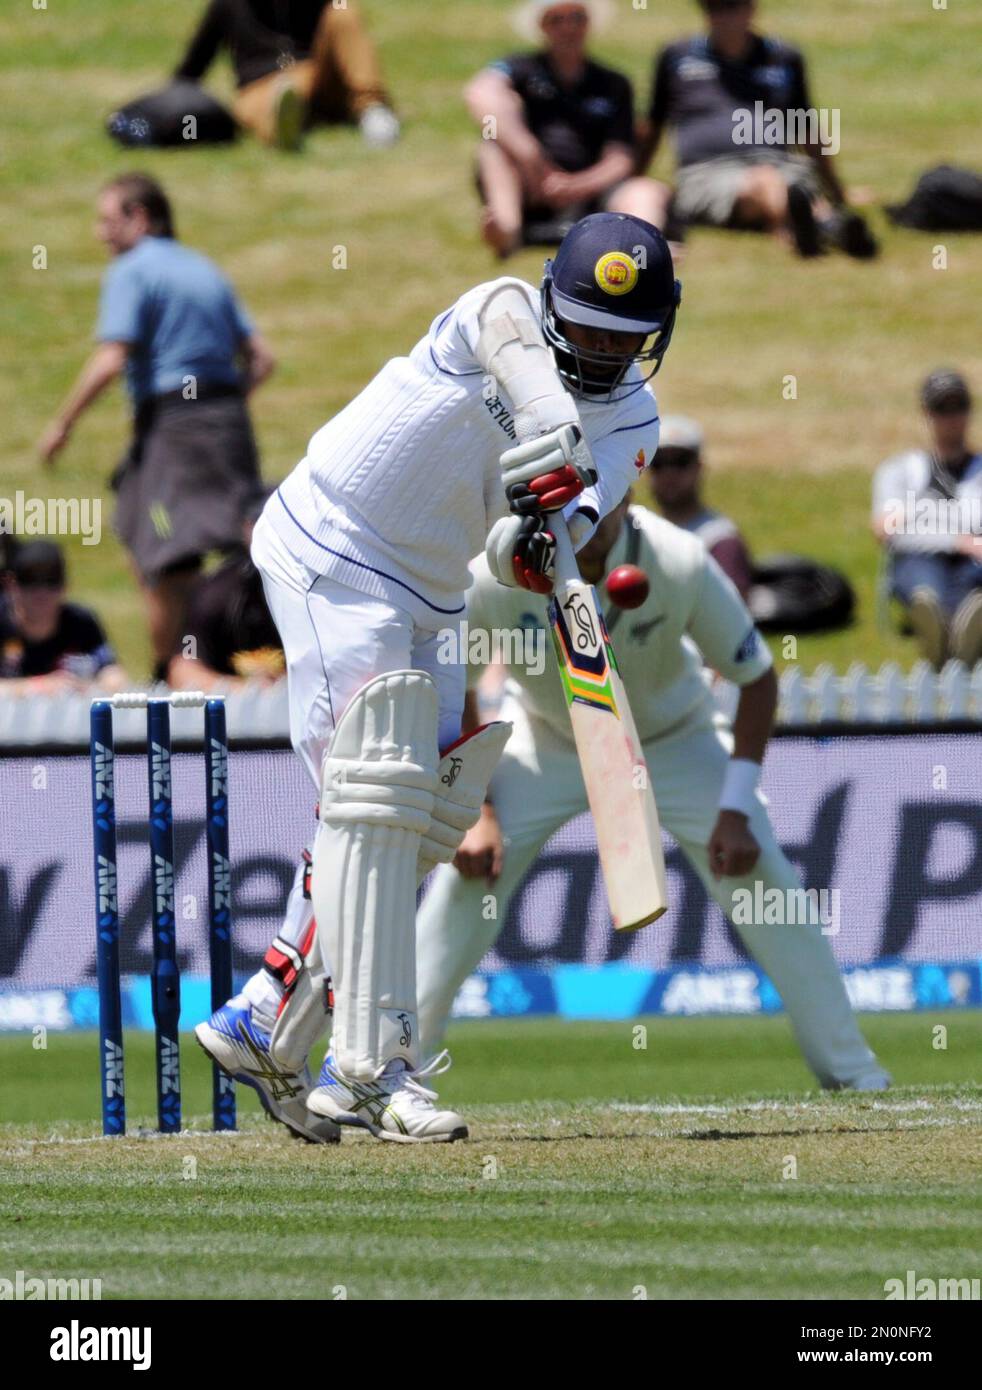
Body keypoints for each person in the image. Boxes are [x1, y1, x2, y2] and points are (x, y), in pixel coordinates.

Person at [194, 212, 681, 1143]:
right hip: (333, 549)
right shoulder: (493, 310)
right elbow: (517, 351)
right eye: (584, 328)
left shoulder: (635, 422)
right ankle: (371, 1068)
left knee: (418, 817)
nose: (601, 352)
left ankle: (267, 1019)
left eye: (624, 340)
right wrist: (552, 431)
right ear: (552, 302)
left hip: (437, 590)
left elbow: (522, 551)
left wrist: (539, 537)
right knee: (374, 799)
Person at [413, 498, 889, 1092]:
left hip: (672, 738)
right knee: (468, 878)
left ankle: (852, 1072)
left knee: (766, 884)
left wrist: (736, 809)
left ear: (626, 502)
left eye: (595, 516)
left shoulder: (678, 561)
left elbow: (756, 678)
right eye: (564, 519)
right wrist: (476, 809)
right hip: (549, 737)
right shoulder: (495, 571)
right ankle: (399, 1069)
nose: (581, 538)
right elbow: (453, 674)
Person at [39, 174, 274, 680]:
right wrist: (226, 404)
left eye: (107, 220)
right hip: (228, 422)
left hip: (172, 424)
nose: (100, 234)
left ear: (138, 218)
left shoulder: (133, 269)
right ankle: (226, 662)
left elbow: (111, 357)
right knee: (242, 545)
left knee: (163, 553)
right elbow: (263, 359)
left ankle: (167, 676)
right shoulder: (206, 270)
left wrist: (63, 424)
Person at [636, 0, 877, 259]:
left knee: (788, 182)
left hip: (781, 163)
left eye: (732, 6)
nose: (722, 17)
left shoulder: (784, 57)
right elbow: (653, 124)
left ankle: (818, 226)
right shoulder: (676, 55)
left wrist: (838, 191)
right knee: (768, 182)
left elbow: (805, 127)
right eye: (713, 8)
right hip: (706, 174)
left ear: (751, 8)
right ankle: (815, 227)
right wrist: (631, 177)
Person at [466, 0, 664, 258]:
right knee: (492, 147)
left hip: (593, 189)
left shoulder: (613, 83)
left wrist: (575, 186)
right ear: (542, 27)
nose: (568, 28)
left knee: (646, 190)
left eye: (577, 18)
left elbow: (620, 159)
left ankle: (645, 251)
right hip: (530, 184)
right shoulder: (521, 68)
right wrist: (529, 154)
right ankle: (506, 229)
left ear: (589, 24)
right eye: (556, 20)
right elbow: (480, 92)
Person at [175, 0, 399, 150]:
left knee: (344, 11)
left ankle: (373, 110)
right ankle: (283, 128)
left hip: (313, 75)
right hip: (259, 88)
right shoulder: (227, 4)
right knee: (272, 97)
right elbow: (190, 72)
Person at [873, 369, 982, 670]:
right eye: (941, 409)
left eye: (958, 406)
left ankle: (954, 640)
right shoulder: (901, 470)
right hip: (919, 558)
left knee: (971, 587)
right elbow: (887, 528)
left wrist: (922, 515)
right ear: (927, 413)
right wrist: (958, 539)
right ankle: (949, 637)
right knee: (926, 590)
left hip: (973, 564)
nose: (950, 417)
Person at [167, 493, 284, 691]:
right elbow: (184, 668)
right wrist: (246, 692)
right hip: (229, 710)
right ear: (247, 529)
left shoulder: (316, 593)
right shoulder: (213, 594)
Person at [0, 541, 128, 695]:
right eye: (29, 580)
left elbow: (114, 676)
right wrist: (39, 686)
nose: (41, 592)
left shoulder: (81, 624)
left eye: (51, 581)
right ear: (11, 585)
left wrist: (86, 686)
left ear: (65, 586)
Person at [646, 415, 753, 597]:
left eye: (681, 461)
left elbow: (731, 614)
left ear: (699, 467)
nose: (669, 473)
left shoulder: (720, 540)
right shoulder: (638, 529)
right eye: (658, 462)